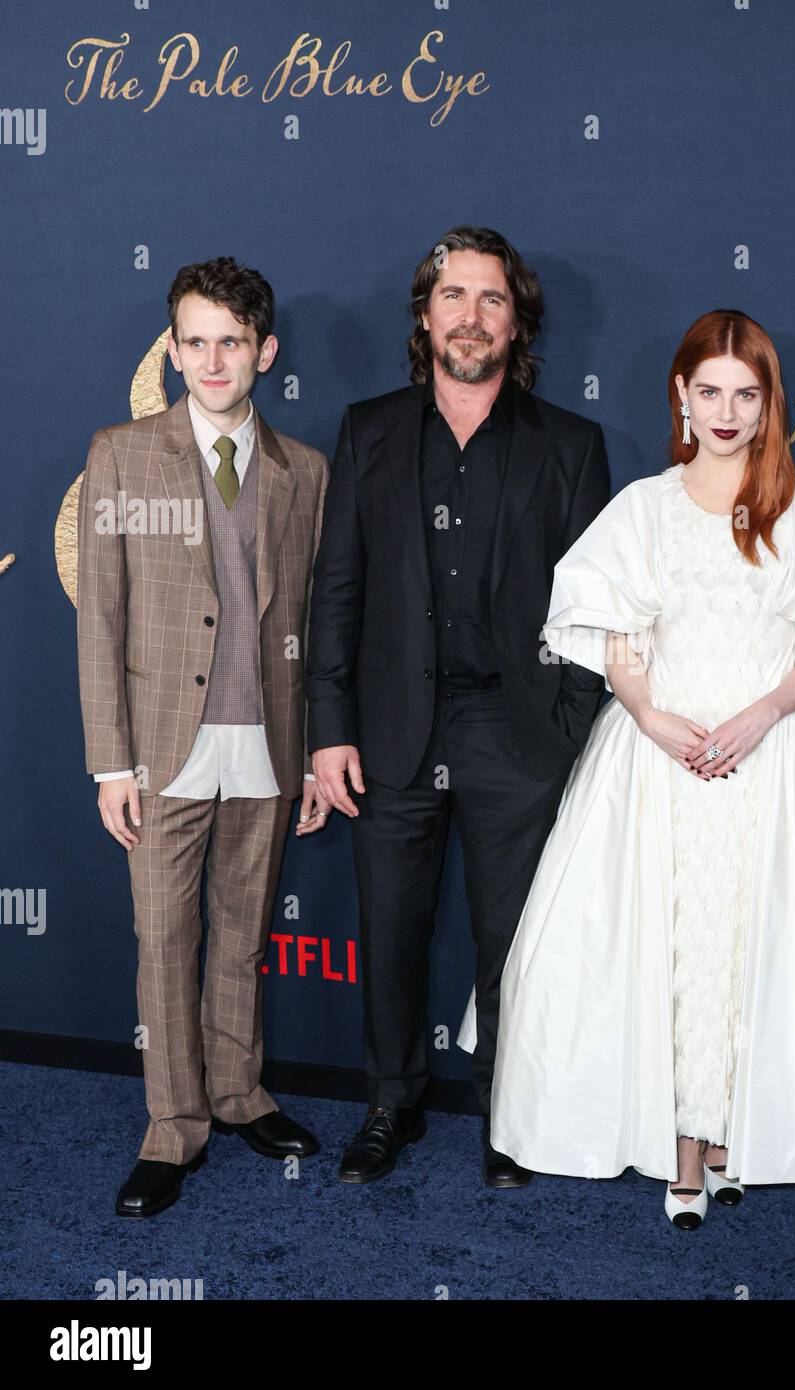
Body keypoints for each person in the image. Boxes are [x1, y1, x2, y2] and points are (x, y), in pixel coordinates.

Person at [458, 309, 795, 1229]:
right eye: (708, 392)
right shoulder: (644, 507)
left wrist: (762, 713)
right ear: (681, 395)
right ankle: (680, 1150)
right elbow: (615, 631)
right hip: (658, 757)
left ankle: (738, 1139)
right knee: (666, 945)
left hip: (781, 753)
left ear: (768, 404)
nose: (725, 411)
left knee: (764, 946)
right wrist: (645, 712)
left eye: (744, 395)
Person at [305, 226, 611, 1188]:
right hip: (392, 727)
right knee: (389, 931)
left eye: (490, 299)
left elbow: (593, 607)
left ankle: (507, 1117)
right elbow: (336, 590)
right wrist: (330, 729)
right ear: (424, 317)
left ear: (516, 323)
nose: (469, 316)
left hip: (515, 734)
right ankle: (391, 1106)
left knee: (510, 939)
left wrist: (565, 728)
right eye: (452, 297)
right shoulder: (367, 430)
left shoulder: (571, 443)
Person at [77, 257, 329, 1218]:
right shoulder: (123, 454)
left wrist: (310, 752)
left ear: (264, 351)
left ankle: (238, 1094)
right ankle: (171, 1128)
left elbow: (314, 617)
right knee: (163, 940)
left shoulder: (304, 471)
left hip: (266, 743)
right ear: (172, 351)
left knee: (242, 935)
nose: (213, 359)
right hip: (160, 750)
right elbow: (99, 615)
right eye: (195, 342)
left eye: (232, 341)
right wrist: (111, 762)